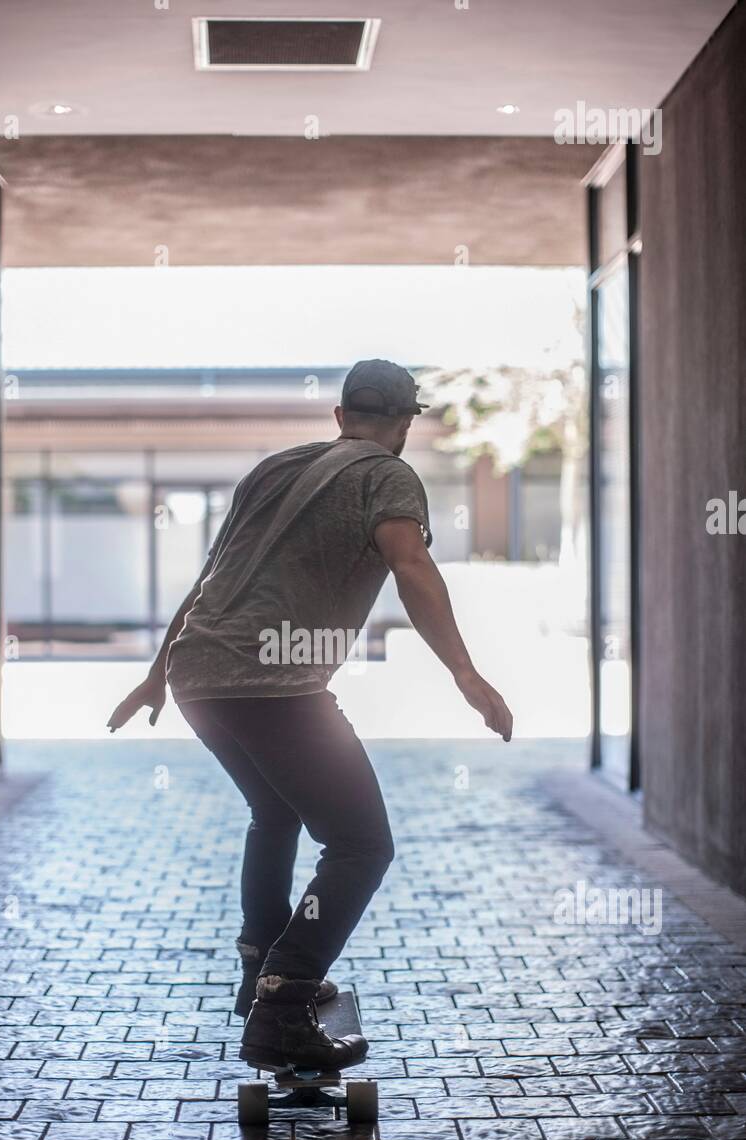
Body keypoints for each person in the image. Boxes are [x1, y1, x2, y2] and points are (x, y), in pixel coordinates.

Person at [108, 359, 512, 1073]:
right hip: (275, 685)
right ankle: (283, 1007)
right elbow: (410, 563)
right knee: (362, 846)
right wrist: (466, 673)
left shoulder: (274, 468)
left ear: (338, 416)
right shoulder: (387, 473)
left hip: (199, 675)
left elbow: (211, 580)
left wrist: (154, 677)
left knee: (275, 811)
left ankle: (260, 967)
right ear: (406, 424)